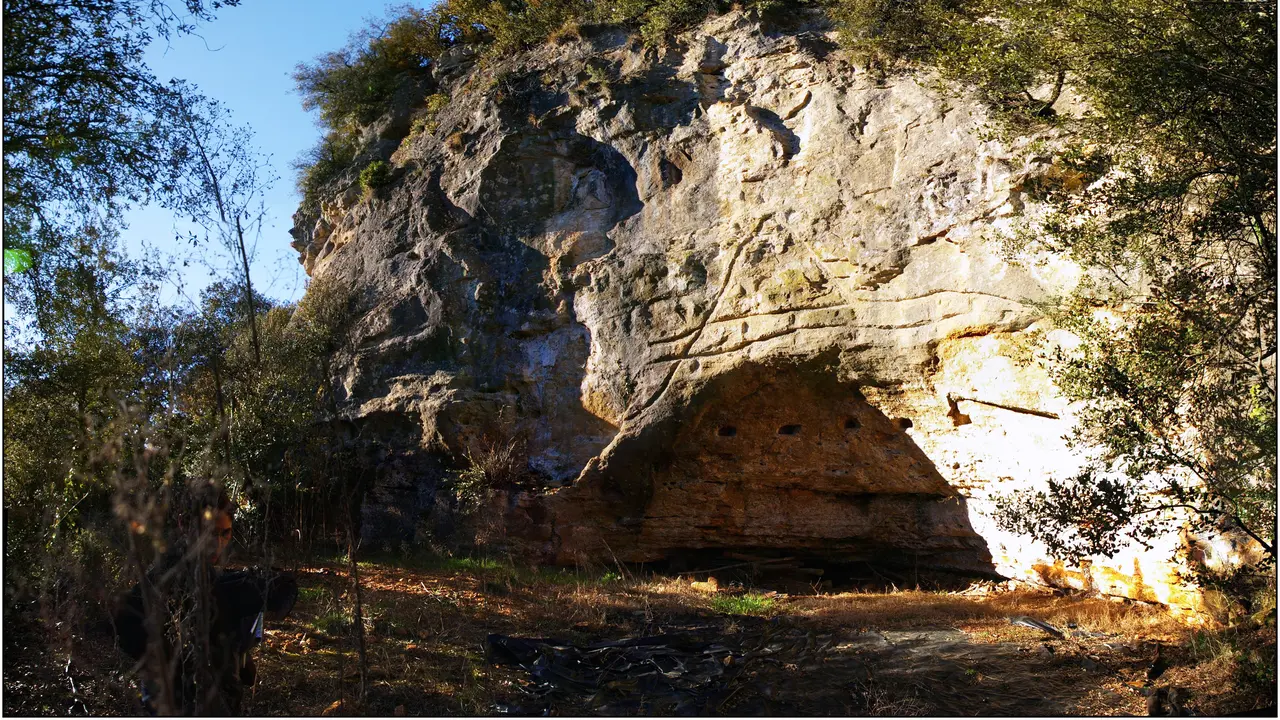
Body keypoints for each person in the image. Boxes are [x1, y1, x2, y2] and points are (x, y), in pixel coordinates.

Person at [113, 484, 297, 715]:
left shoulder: (209, 573)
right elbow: (128, 619)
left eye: (225, 533)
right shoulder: (169, 571)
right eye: (208, 532)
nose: (217, 543)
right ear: (184, 525)